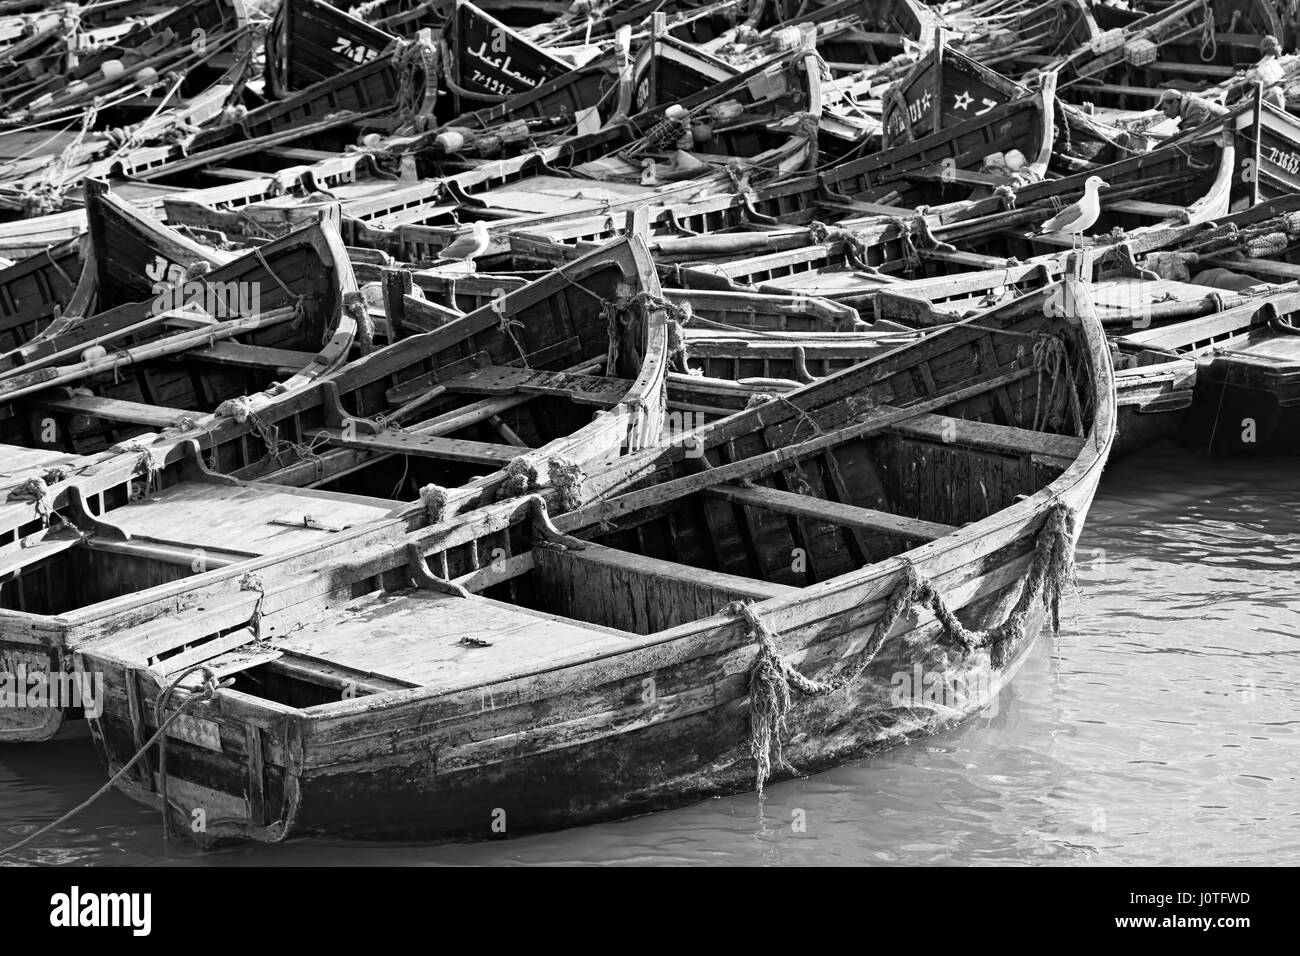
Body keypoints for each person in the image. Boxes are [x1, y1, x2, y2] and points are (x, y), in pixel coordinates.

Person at [1156, 89, 1229, 128]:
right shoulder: (1189, 106)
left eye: (1165, 108)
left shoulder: (1195, 106)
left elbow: (1191, 134)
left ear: (1175, 102)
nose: (1164, 113)